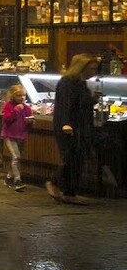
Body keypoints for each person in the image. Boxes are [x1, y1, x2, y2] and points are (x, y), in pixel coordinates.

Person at [51, 53, 99, 205]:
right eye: (91, 69)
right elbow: (65, 105)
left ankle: (67, 190)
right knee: (71, 158)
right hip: (70, 127)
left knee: (77, 158)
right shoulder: (67, 82)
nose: (93, 72)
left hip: (81, 127)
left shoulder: (81, 83)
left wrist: (92, 99)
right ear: (81, 68)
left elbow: (80, 104)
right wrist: (66, 124)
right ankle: (60, 186)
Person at [1, 85, 32, 191]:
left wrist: (30, 122)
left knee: (16, 158)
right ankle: (17, 180)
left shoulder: (27, 108)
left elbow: (28, 122)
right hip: (9, 135)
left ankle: (9, 178)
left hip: (20, 136)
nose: (22, 98)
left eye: (24, 95)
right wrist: (15, 110)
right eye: (19, 95)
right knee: (16, 157)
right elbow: (6, 120)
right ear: (13, 96)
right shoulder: (8, 106)